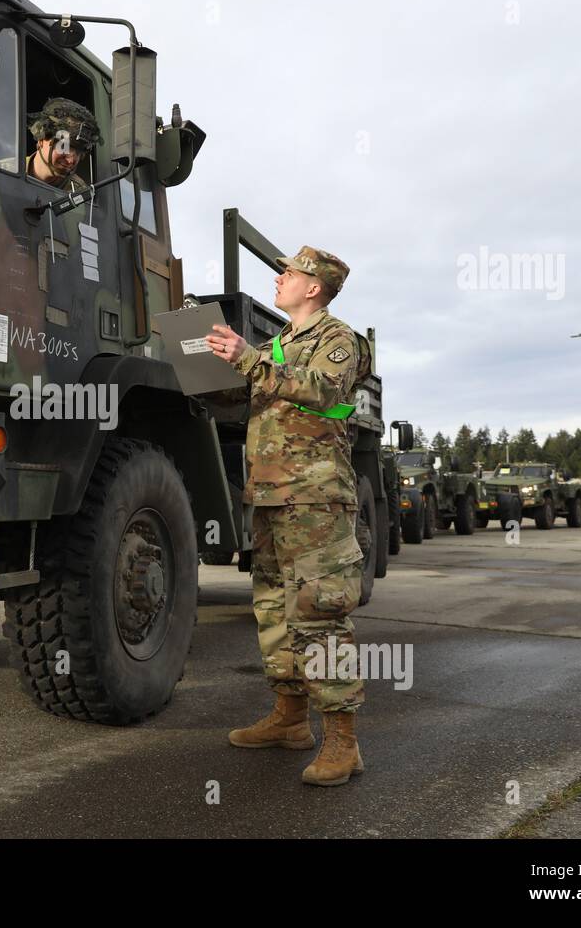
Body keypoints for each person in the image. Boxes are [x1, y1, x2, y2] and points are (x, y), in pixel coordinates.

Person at [205, 246, 371, 786]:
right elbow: (249, 390)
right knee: (274, 608)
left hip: (316, 499)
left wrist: (250, 360)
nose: (279, 280)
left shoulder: (338, 339)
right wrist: (217, 363)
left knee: (319, 612)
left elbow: (324, 391)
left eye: (289, 274)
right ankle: (289, 719)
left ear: (314, 287)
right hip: (271, 497)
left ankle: (342, 744)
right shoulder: (276, 343)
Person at [26, 98, 100, 193]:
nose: (71, 160)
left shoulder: (79, 194)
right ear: (41, 139)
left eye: (78, 152)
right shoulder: (6, 171)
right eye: (63, 146)